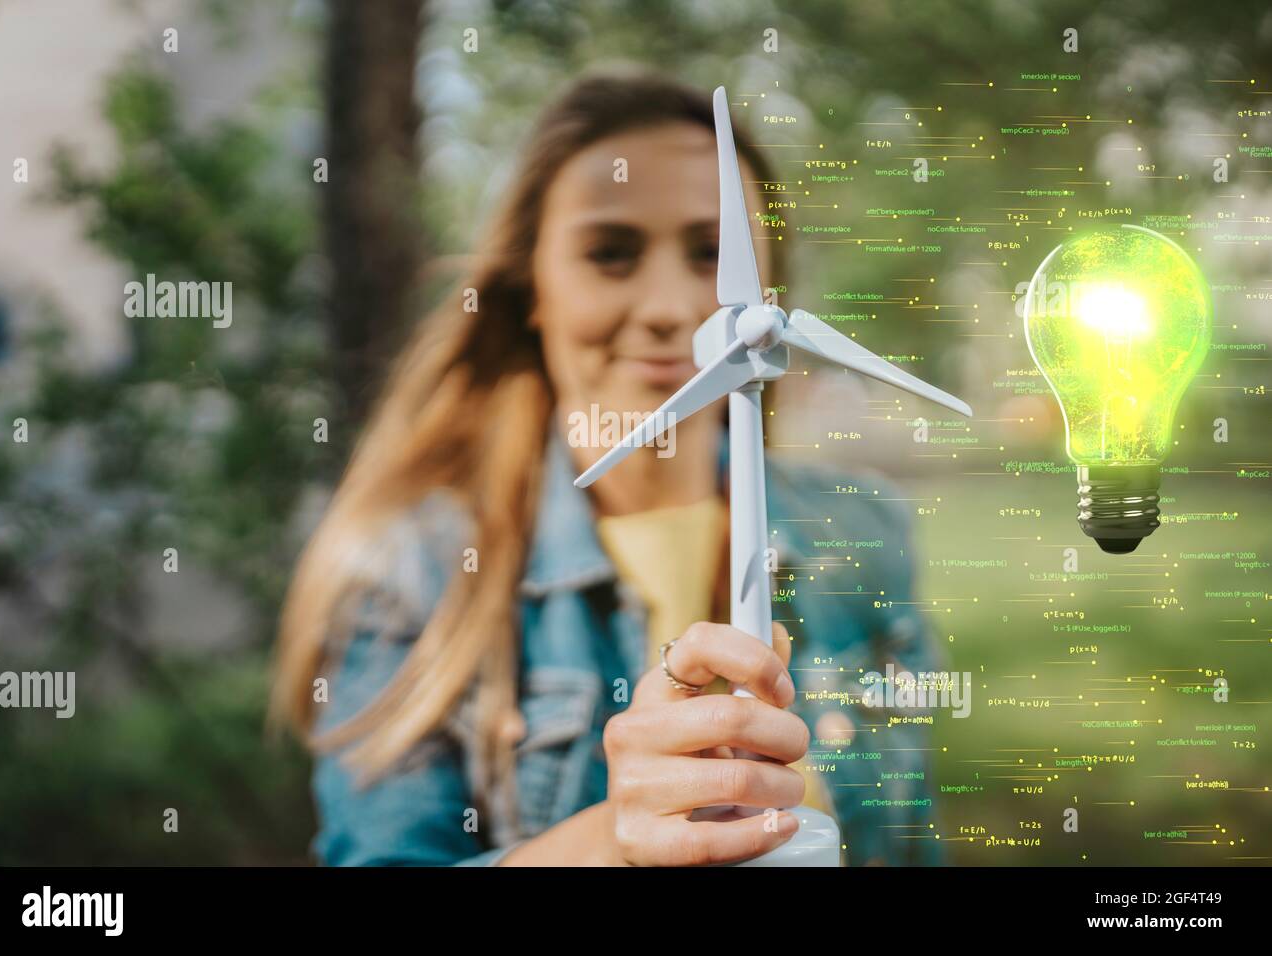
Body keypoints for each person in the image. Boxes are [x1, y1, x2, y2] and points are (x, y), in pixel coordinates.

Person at [269, 70, 945, 866]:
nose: (668, 305)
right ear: (533, 291)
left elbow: (907, 841)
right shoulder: (409, 568)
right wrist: (613, 843)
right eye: (611, 254)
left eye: (710, 252)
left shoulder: (862, 533)